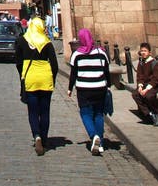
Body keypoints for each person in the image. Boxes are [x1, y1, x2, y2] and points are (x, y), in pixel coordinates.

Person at [15, 16, 58, 156]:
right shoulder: (47, 42)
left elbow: (18, 62)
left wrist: (23, 76)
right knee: (45, 111)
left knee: (33, 111)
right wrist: (53, 79)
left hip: (30, 79)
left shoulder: (22, 41)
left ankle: (37, 136)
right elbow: (55, 65)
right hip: (45, 79)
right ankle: (44, 139)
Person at [68, 28, 110, 155]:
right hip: (100, 88)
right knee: (98, 114)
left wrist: (70, 88)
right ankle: (101, 143)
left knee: (85, 114)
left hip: (84, 90)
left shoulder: (77, 54)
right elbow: (106, 71)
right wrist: (108, 86)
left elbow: (73, 74)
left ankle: (93, 136)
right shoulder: (101, 53)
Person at [132, 42, 158, 126]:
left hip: (155, 86)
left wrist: (146, 89)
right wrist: (140, 86)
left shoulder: (155, 63)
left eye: (145, 51)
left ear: (149, 52)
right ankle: (149, 114)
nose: (143, 53)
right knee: (135, 94)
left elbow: (156, 79)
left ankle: (155, 112)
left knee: (148, 96)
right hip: (145, 85)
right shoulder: (141, 62)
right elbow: (140, 76)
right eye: (142, 51)